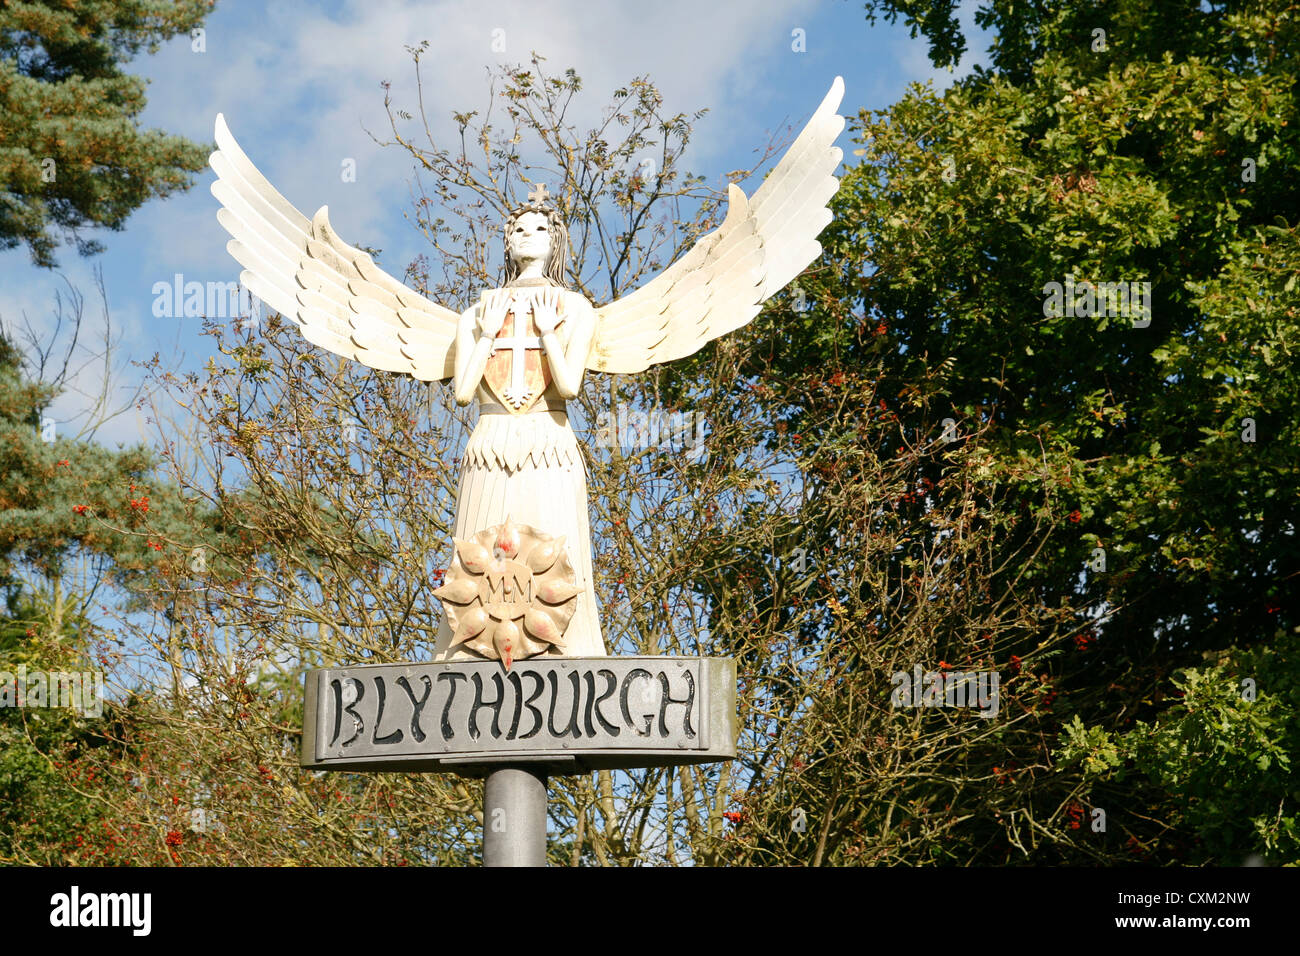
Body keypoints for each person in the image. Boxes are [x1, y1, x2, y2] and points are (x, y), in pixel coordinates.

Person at [432, 189, 607, 660]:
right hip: (489, 440)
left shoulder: (576, 308)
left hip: (549, 437)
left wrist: (549, 330)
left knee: (554, 539)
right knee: (481, 544)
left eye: (540, 228)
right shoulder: (475, 313)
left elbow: (569, 387)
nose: (529, 235)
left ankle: (569, 650)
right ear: (507, 243)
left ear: (557, 243)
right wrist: (487, 332)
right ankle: (466, 651)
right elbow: (464, 392)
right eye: (518, 229)